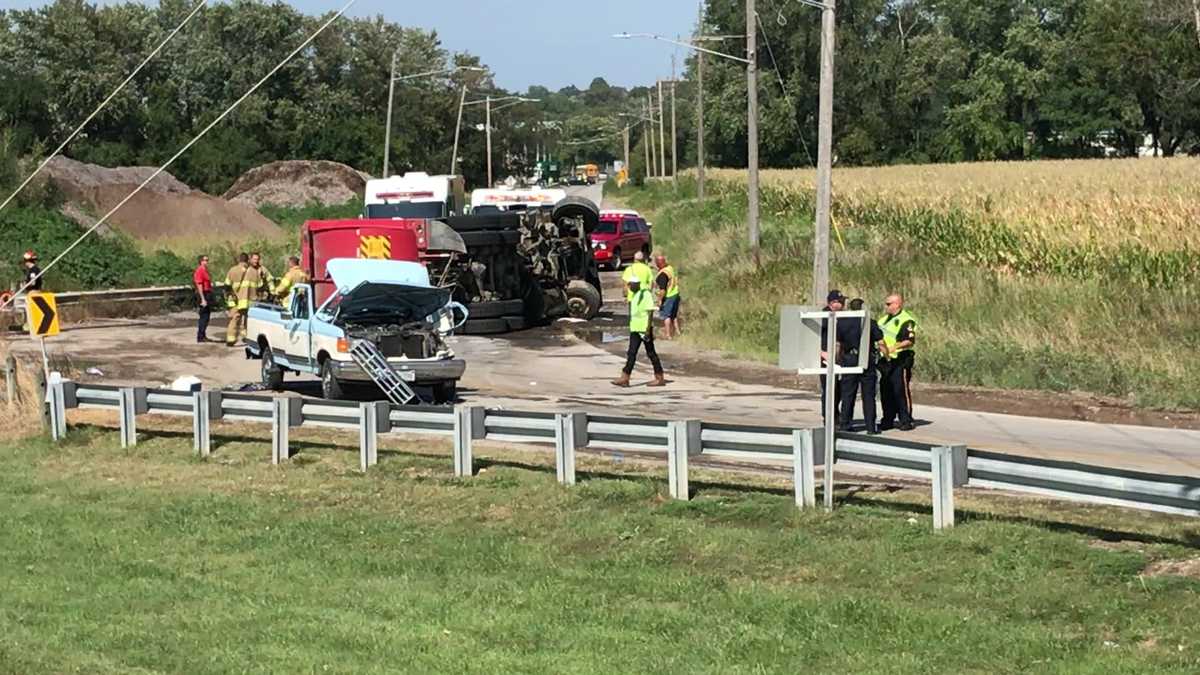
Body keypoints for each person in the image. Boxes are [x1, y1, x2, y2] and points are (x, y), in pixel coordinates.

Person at [838, 298, 885, 434]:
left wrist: (839, 359)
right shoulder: (869, 323)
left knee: (848, 394)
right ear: (863, 308)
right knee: (868, 395)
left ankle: (845, 424)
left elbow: (838, 344)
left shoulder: (842, 323)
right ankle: (870, 426)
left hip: (849, 358)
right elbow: (881, 342)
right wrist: (886, 356)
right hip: (866, 359)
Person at [611, 278, 666, 387]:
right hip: (635, 329)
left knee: (651, 353)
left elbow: (650, 312)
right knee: (631, 353)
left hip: (644, 329)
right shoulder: (635, 295)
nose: (630, 287)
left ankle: (659, 377)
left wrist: (647, 330)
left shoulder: (645, 294)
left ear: (637, 284)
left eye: (631, 285)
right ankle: (625, 378)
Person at [878, 292, 917, 431]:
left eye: (889, 304)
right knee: (885, 390)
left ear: (897, 304)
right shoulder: (883, 320)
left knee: (900, 390)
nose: (886, 306)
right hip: (885, 360)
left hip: (900, 359)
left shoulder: (906, 320)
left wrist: (894, 347)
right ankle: (887, 419)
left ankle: (905, 419)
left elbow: (909, 341)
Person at [818, 289, 845, 427]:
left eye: (843, 301)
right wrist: (821, 352)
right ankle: (828, 418)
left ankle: (836, 415)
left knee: (839, 389)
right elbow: (812, 336)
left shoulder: (842, 316)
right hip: (825, 358)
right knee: (829, 389)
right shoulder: (823, 316)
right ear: (831, 303)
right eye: (839, 302)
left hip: (839, 357)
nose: (842, 304)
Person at [224, 253, 253, 347]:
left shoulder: (232, 270)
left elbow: (227, 285)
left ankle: (230, 339)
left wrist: (230, 295)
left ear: (239, 259)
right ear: (247, 260)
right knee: (246, 319)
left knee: (234, 319)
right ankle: (245, 336)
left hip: (234, 299)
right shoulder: (250, 271)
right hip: (245, 299)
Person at [654, 254, 681, 339]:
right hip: (675, 294)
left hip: (669, 296)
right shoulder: (670, 268)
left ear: (659, 263)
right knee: (674, 315)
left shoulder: (663, 274)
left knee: (666, 316)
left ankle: (668, 335)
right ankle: (678, 332)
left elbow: (663, 290)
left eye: (656, 263)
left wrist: (659, 300)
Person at [193, 254, 213, 343]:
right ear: (201, 261)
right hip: (203, 293)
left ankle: (203, 335)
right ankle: (200, 336)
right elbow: (199, 285)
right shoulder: (200, 271)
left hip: (207, 293)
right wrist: (203, 299)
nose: (207, 262)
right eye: (205, 260)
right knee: (204, 316)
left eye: (207, 260)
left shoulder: (205, 270)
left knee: (206, 316)